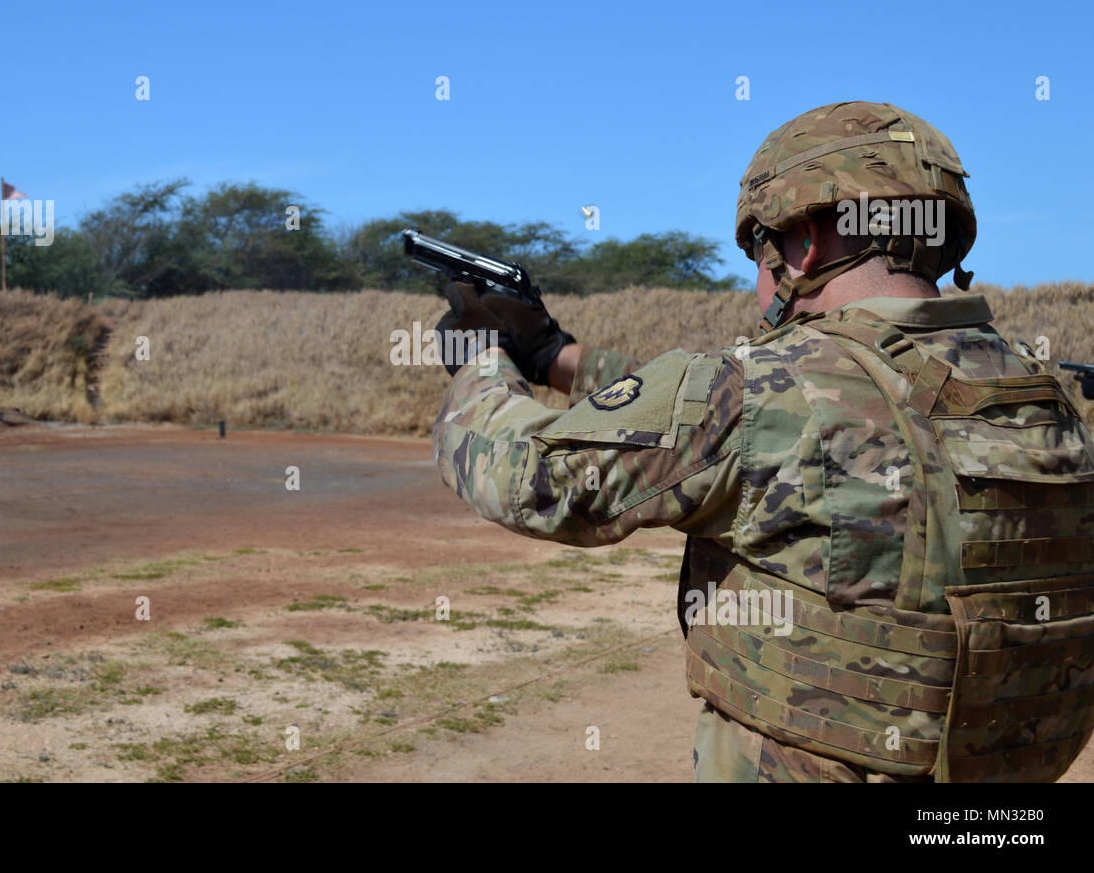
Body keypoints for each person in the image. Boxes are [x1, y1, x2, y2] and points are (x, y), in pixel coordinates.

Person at [431, 101, 1094, 783]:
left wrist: (480, 364)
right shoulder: (1043, 400)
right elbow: (750, 418)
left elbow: (526, 476)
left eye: (758, 251)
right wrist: (554, 355)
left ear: (802, 241)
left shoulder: (761, 394)